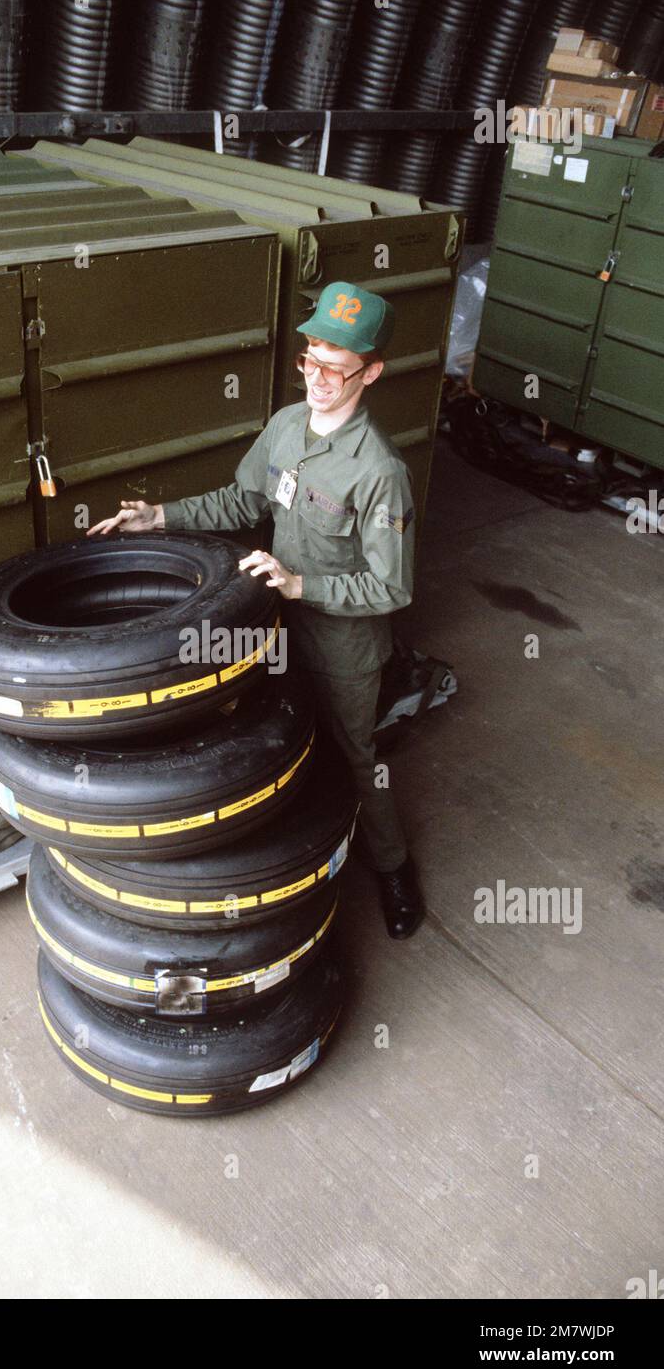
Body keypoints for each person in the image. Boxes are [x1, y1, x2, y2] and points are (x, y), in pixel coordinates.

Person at [89, 281, 425, 940]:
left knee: (352, 757)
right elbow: (243, 503)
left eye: (336, 367)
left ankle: (392, 866)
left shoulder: (379, 471)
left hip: (343, 650)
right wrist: (160, 516)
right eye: (311, 358)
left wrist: (300, 585)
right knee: (267, 744)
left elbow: (392, 588)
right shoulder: (284, 427)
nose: (319, 378)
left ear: (372, 372)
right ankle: (281, 865)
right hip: (274, 630)